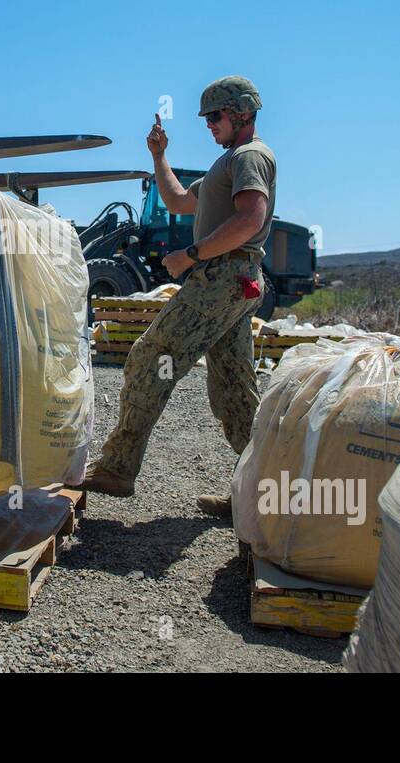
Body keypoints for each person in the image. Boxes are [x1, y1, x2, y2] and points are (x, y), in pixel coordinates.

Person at [79, 75, 276, 518]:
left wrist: (191, 255)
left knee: (151, 358)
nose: (209, 124)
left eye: (215, 116)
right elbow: (177, 201)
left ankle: (117, 467)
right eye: (207, 118)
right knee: (234, 389)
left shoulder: (248, 157)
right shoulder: (227, 165)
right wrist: (159, 154)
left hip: (223, 279)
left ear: (242, 112)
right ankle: (260, 497)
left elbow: (251, 218)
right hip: (237, 282)